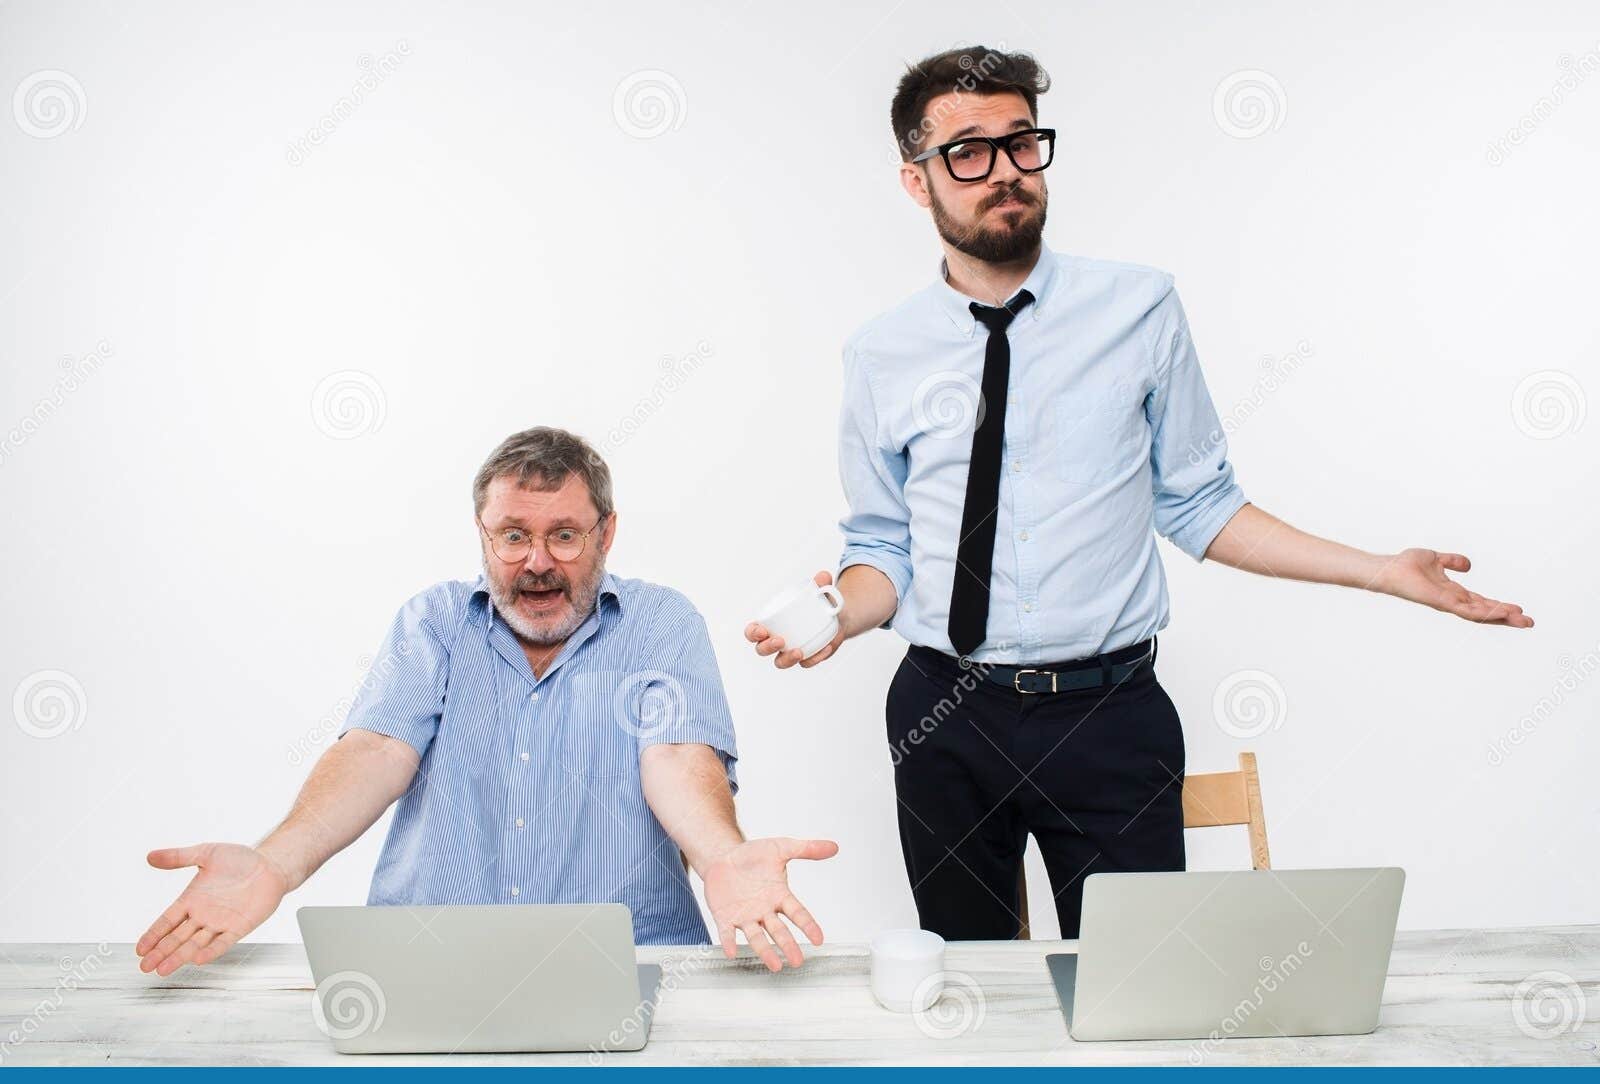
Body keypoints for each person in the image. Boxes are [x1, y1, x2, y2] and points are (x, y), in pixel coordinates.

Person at [745, 46, 1531, 940]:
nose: (1005, 171)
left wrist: (1381, 570)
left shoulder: (1141, 308)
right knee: (968, 981)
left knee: (1136, 982)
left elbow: (1201, 504)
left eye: (1021, 142)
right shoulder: (881, 353)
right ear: (916, 181)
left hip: (1110, 717)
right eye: (968, 152)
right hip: (944, 714)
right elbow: (884, 546)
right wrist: (837, 614)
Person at [139, 426, 837, 977]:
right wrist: (274, 863)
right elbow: (375, 751)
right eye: (513, 535)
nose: (538, 561)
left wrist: (722, 858)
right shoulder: (434, 623)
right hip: (429, 966)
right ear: (483, 534)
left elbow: (678, 756)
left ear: (606, 534)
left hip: (628, 964)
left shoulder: (660, 622)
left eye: (564, 535)